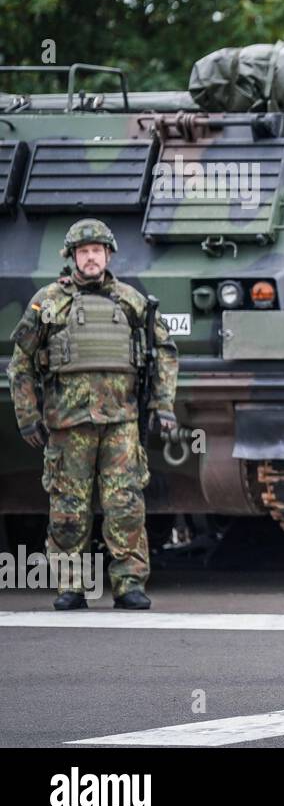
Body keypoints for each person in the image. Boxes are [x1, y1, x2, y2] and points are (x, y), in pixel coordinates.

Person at [7, 219, 178, 610]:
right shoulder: (48, 302)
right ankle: (71, 586)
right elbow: (21, 363)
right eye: (83, 252)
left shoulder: (131, 301)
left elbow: (165, 353)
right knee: (69, 509)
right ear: (72, 258)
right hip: (68, 425)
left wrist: (163, 405)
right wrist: (27, 416)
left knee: (125, 505)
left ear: (108, 255)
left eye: (97, 251)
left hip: (120, 423)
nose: (91, 258)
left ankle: (129, 584)